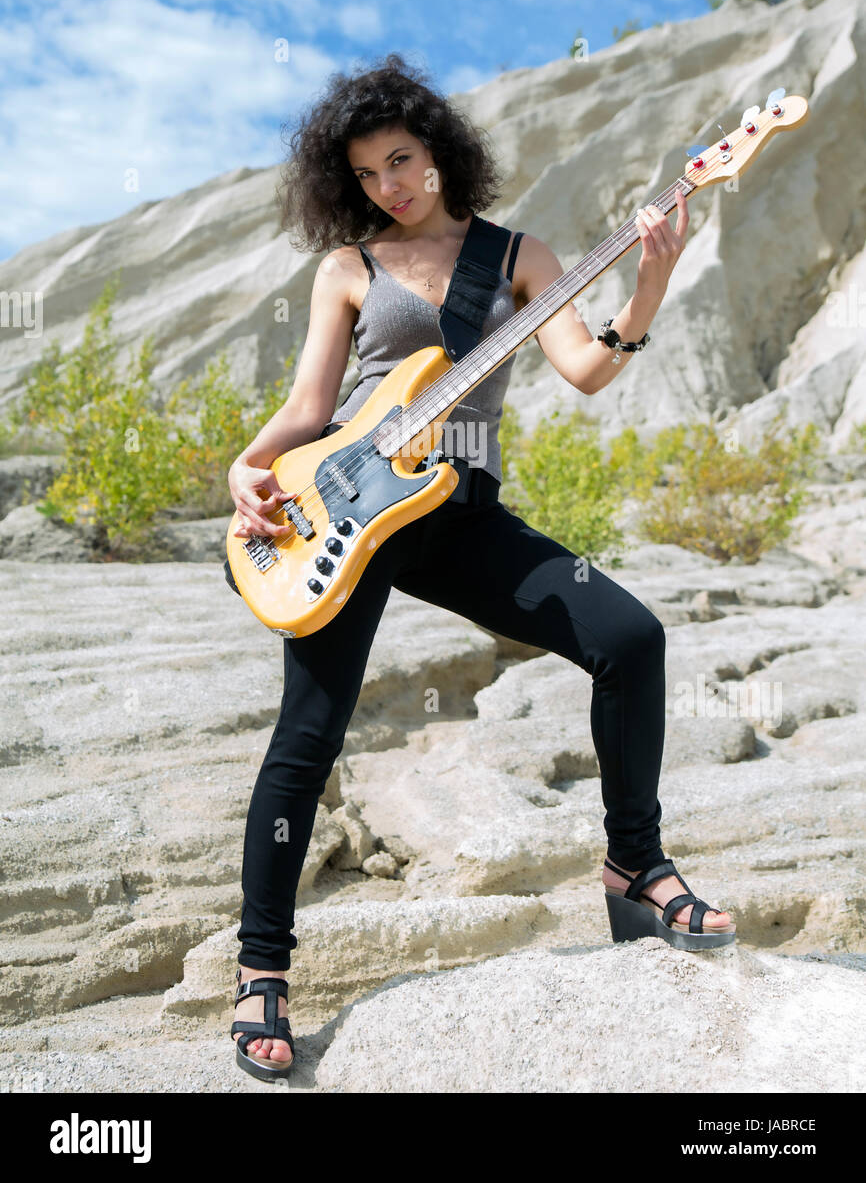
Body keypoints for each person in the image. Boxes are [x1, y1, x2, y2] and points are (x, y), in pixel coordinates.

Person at [226, 52, 734, 1081]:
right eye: (368, 174)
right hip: (346, 507)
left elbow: (588, 370)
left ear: (438, 150)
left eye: (403, 160)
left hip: (456, 506)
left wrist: (649, 275)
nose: (390, 186)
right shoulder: (348, 268)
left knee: (629, 636)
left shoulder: (517, 255)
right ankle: (261, 968)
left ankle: (633, 865)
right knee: (308, 732)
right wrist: (246, 465)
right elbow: (307, 409)